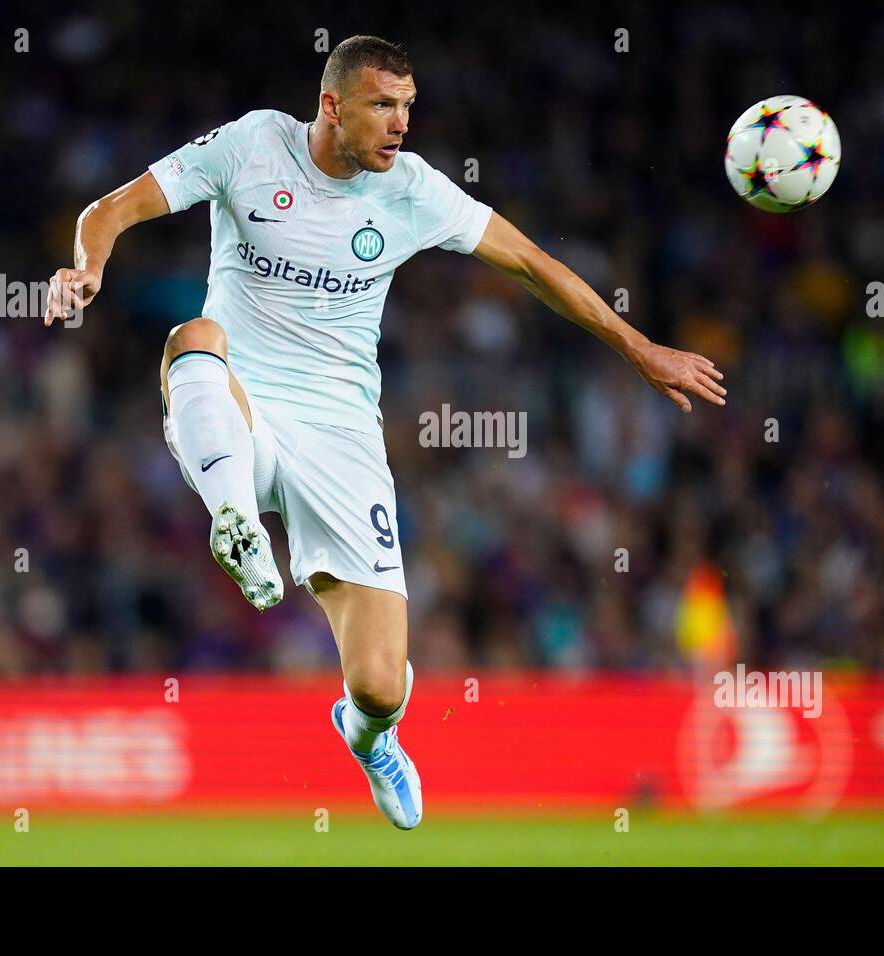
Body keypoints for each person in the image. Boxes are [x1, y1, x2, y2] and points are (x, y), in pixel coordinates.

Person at [44, 35, 726, 829]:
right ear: (331, 105)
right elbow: (113, 208)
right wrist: (87, 266)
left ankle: (370, 740)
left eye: (408, 106)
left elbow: (535, 264)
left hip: (342, 440)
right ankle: (237, 524)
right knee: (193, 338)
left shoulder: (412, 191)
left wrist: (640, 350)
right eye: (382, 105)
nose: (400, 124)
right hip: (238, 411)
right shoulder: (252, 144)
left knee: (379, 683)